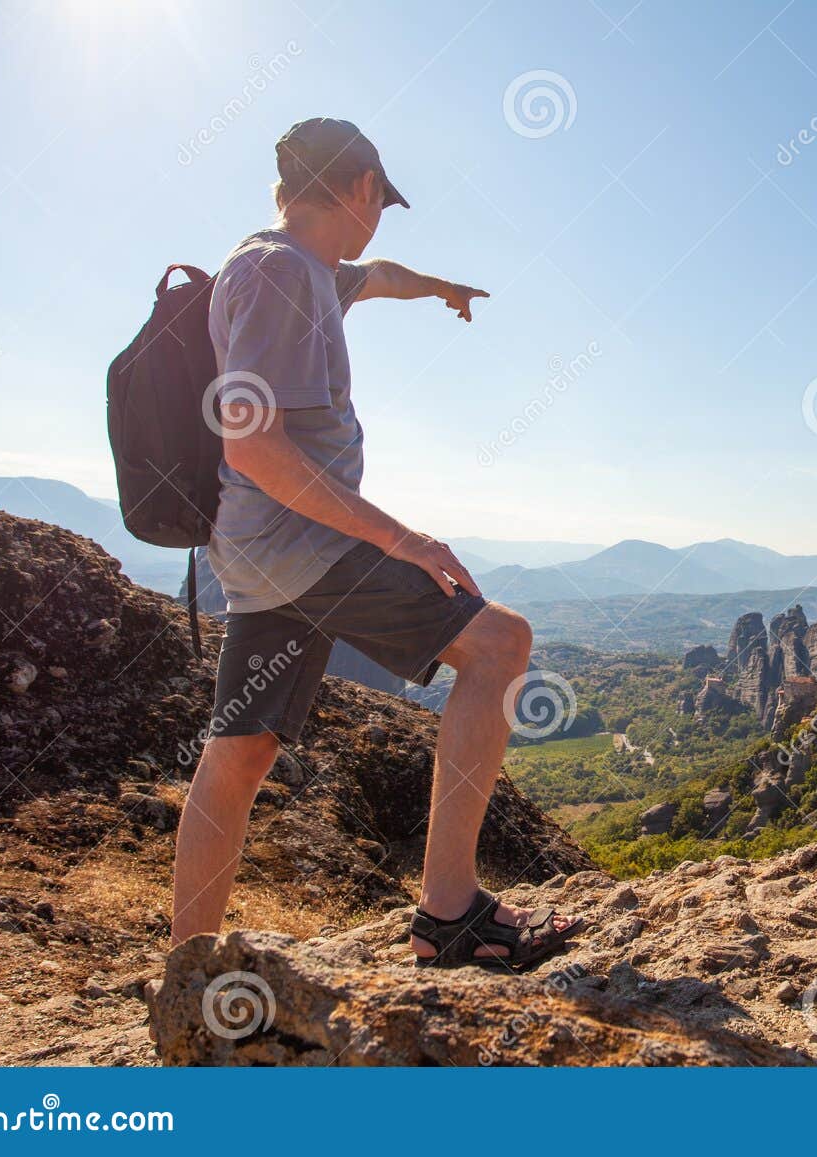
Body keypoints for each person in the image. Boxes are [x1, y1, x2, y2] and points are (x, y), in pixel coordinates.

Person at [170, 117, 580, 969]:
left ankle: (189, 964)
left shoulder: (304, 267)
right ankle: (450, 912)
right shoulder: (282, 275)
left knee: (240, 749)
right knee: (500, 644)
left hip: (256, 554)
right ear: (360, 190)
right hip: (303, 544)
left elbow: (379, 276)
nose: (381, 218)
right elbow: (250, 440)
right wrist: (402, 537)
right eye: (381, 200)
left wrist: (439, 288)